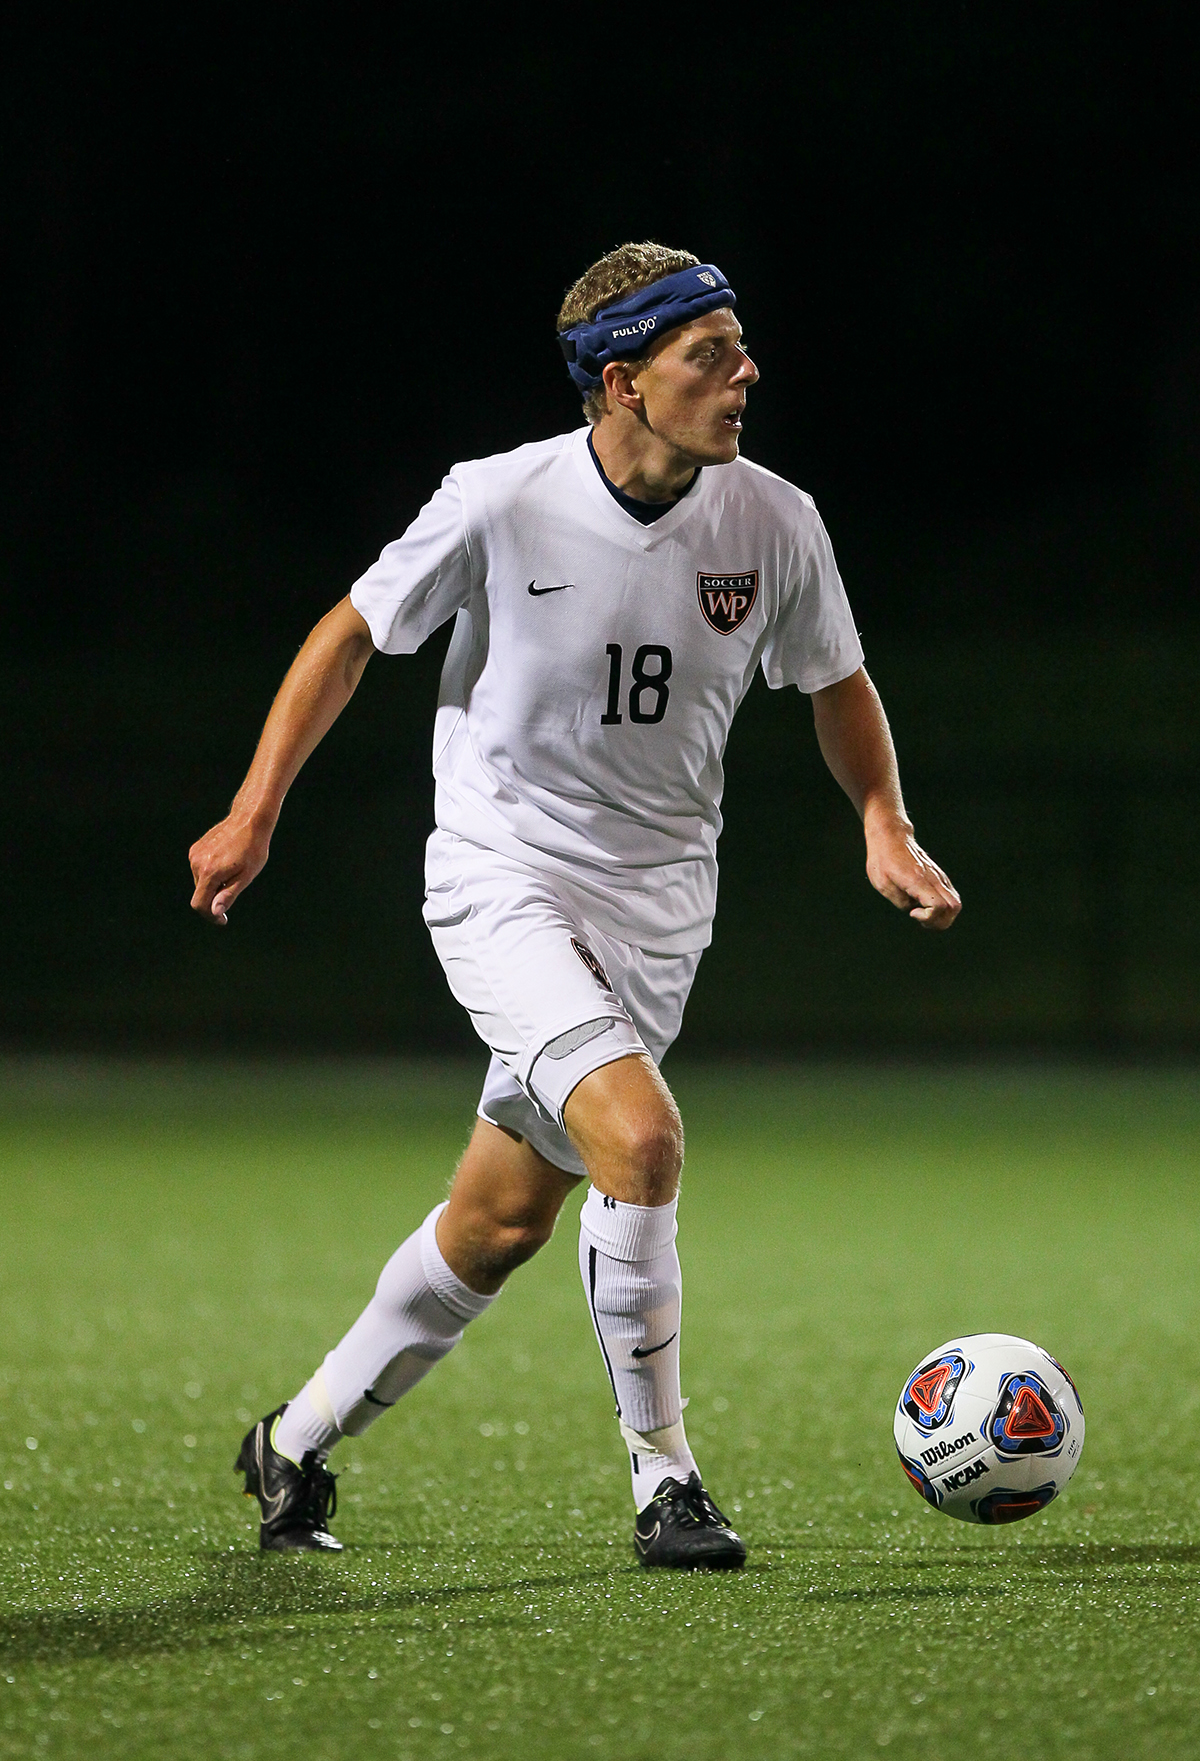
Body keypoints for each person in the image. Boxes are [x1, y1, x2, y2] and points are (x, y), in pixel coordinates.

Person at [189, 241, 961, 1568]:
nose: (745, 374)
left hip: (658, 911)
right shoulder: (500, 500)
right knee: (642, 1142)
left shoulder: (775, 520)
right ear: (623, 383)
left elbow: (836, 680)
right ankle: (668, 1483)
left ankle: (294, 1443)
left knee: (497, 1226)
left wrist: (882, 819)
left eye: (739, 348)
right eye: (709, 355)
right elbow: (351, 634)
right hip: (504, 877)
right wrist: (256, 807)